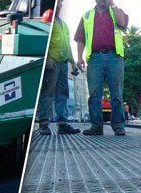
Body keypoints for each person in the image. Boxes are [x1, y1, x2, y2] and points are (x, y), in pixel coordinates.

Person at [74, 0, 129, 136]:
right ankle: (96, 126)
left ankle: (118, 126)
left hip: (114, 57)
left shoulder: (116, 12)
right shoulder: (87, 16)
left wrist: (113, 5)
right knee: (94, 94)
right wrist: (79, 57)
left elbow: (122, 23)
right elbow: (80, 38)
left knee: (116, 93)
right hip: (95, 58)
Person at [36, 0, 81, 135]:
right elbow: (43, 39)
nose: (60, 4)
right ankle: (43, 123)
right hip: (53, 63)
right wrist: (48, 59)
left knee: (62, 94)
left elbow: (67, 45)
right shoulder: (48, 19)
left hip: (63, 64)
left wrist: (72, 62)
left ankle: (62, 124)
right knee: (48, 93)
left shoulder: (63, 24)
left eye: (61, 2)